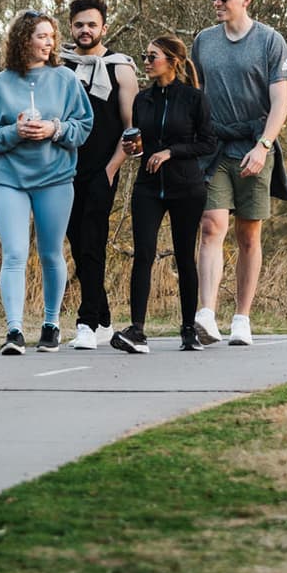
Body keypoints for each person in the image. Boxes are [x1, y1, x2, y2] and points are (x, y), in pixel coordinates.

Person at [0, 10, 93, 355]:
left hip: (55, 178)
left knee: (50, 252)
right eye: (42, 36)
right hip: (9, 178)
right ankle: (13, 330)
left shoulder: (65, 80)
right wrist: (15, 131)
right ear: (23, 39)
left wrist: (54, 129)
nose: (49, 42)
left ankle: (51, 324)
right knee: (14, 253)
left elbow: (83, 127)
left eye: (51, 36)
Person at [191, 0, 287, 346]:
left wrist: (264, 145)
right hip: (215, 146)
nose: (217, 3)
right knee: (210, 224)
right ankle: (205, 314)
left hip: (254, 145)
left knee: (248, 234)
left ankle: (241, 318)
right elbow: (195, 94)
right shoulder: (203, 42)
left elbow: (280, 100)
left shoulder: (270, 41)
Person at [112, 35, 217, 354]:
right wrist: (134, 147)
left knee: (185, 257)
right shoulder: (142, 100)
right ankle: (137, 331)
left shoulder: (193, 99)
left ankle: (188, 330)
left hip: (186, 187)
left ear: (172, 61)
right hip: (148, 187)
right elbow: (140, 141)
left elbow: (208, 143)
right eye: (144, 56)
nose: (146, 61)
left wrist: (171, 152)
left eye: (152, 56)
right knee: (143, 254)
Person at [58, 0, 137, 349]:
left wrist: (110, 170)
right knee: (77, 242)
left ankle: (86, 323)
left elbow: (131, 129)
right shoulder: (60, 66)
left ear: (104, 27)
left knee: (93, 241)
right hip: (61, 170)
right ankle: (103, 317)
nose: (85, 30)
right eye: (79, 24)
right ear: (71, 27)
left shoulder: (119, 67)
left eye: (92, 24)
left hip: (102, 169)